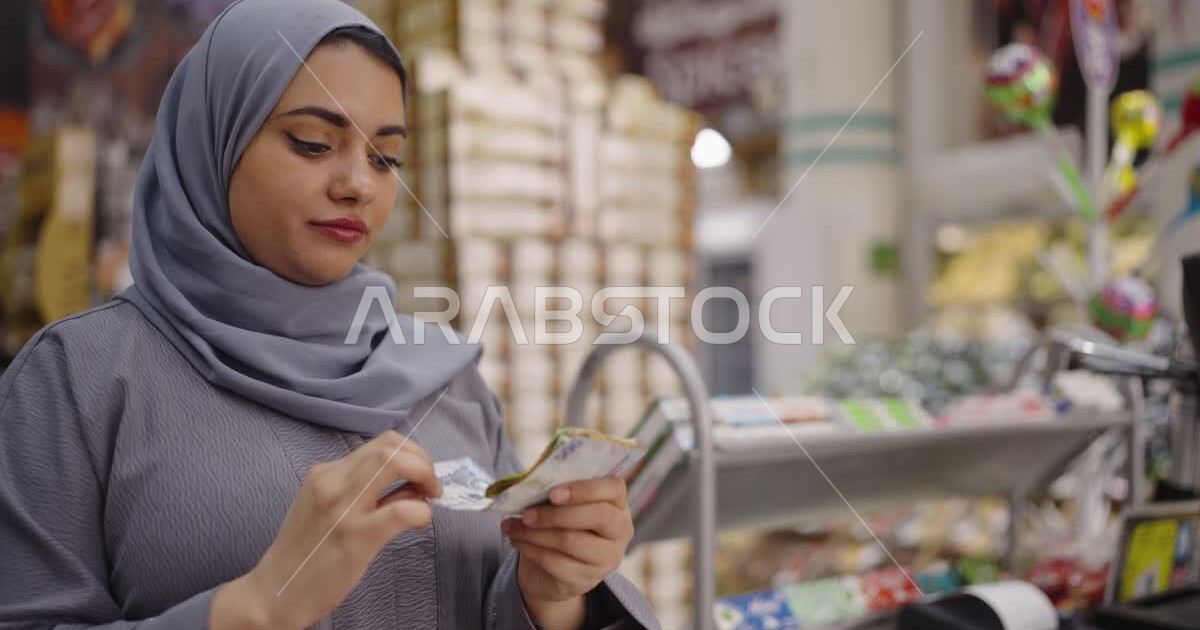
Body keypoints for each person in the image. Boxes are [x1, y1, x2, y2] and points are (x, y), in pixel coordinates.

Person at [0, 1, 660, 629]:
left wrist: (553, 597)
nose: (360, 184)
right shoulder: (76, 381)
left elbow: (491, 605)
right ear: (214, 140)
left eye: (385, 157)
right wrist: (256, 608)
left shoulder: (444, 377)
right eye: (314, 143)